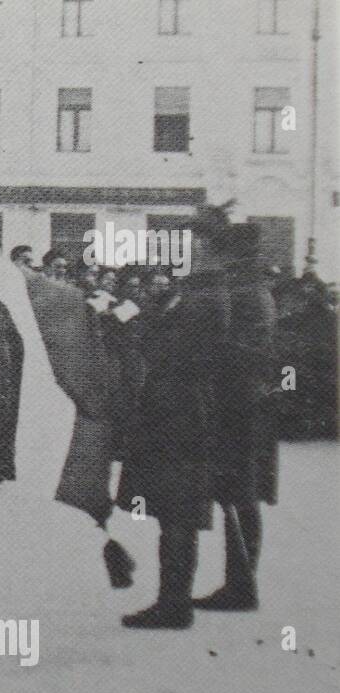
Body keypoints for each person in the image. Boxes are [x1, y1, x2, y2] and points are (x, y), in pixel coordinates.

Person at [114, 220, 231, 629]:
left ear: (208, 248)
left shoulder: (203, 298)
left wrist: (141, 325)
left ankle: (174, 604)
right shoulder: (200, 293)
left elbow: (175, 352)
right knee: (175, 513)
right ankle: (173, 599)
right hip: (181, 413)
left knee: (178, 513)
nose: (183, 252)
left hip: (181, 416)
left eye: (191, 244)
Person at [196, 220, 278, 612]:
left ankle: (242, 587)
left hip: (238, 402)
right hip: (246, 400)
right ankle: (240, 583)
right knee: (240, 492)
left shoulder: (242, 291)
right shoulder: (253, 287)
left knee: (240, 492)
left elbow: (236, 348)